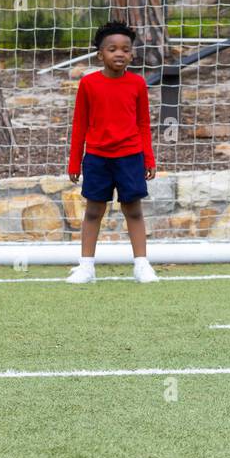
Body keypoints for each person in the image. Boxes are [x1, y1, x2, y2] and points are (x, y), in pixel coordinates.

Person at [66, 21, 158, 284]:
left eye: (125, 49)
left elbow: (143, 123)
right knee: (94, 211)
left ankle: (141, 265)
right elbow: (80, 124)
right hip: (97, 158)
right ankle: (86, 267)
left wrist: (148, 158)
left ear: (132, 54)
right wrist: (75, 162)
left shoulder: (138, 83)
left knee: (134, 210)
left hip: (130, 157)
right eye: (112, 49)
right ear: (100, 54)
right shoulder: (89, 84)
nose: (119, 54)